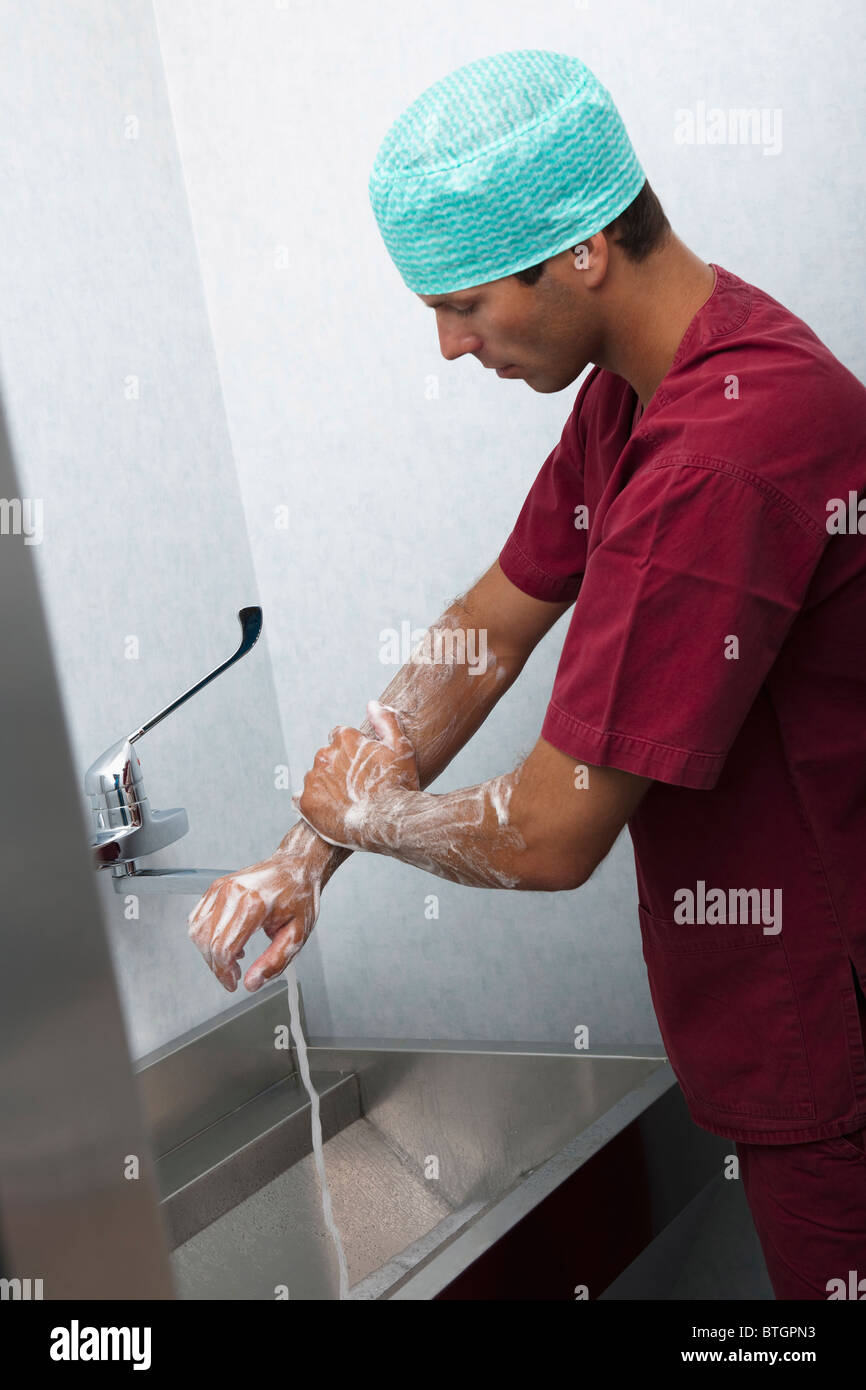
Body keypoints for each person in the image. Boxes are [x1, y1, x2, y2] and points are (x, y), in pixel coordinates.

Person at [187, 50, 866, 1299]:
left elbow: (554, 832)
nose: (448, 347)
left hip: (832, 1042)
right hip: (782, 1023)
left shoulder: (720, 455)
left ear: (580, 251)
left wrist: (368, 816)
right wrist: (306, 854)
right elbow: (486, 627)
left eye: (461, 303)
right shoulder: (643, 392)